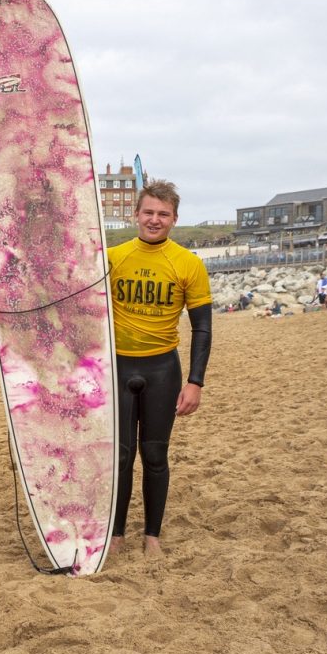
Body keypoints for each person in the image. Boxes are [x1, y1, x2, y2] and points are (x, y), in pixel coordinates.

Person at [106, 182, 212, 559]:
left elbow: (202, 327)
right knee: (120, 457)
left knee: (154, 456)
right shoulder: (112, 258)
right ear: (135, 214)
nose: (155, 220)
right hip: (117, 368)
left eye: (163, 214)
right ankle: (116, 534)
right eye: (148, 212)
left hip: (162, 370)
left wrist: (195, 382)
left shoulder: (188, 263)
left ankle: (152, 536)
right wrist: (5, 311)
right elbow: (66, 298)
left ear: (174, 219)